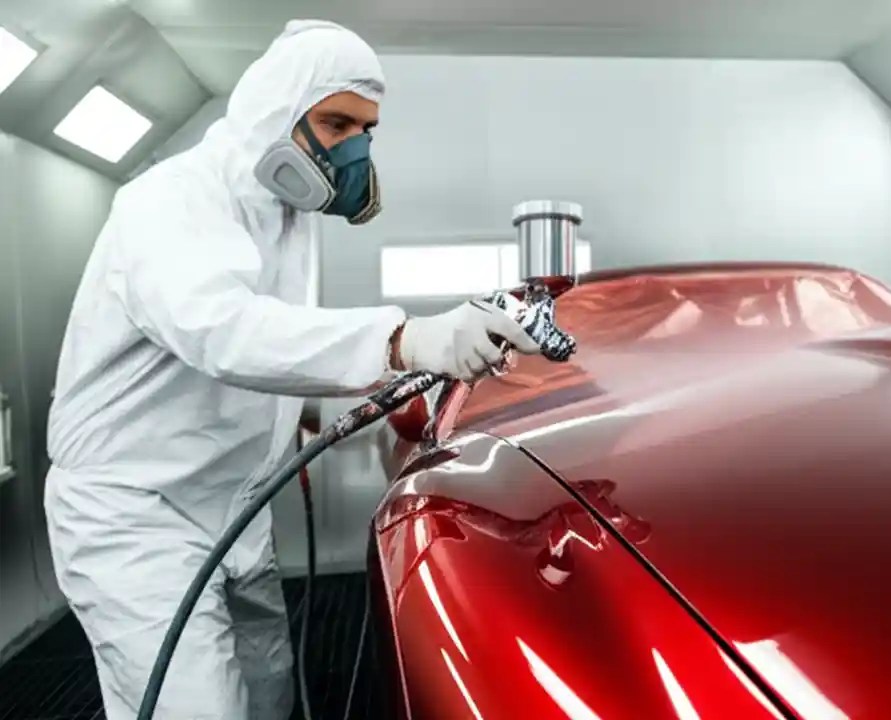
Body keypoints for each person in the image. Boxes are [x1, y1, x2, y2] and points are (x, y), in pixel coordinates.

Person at [42, 19, 538, 720]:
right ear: (274, 114)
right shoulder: (169, 200)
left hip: (232, 503)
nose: (355, 148)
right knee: (200, 708)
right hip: (135, 515)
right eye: (337, 124)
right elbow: (224, 331)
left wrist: (299, 413)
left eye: (366, 129)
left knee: (269, 685)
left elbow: (271, 343)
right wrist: (405, 339)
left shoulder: (286, 217)